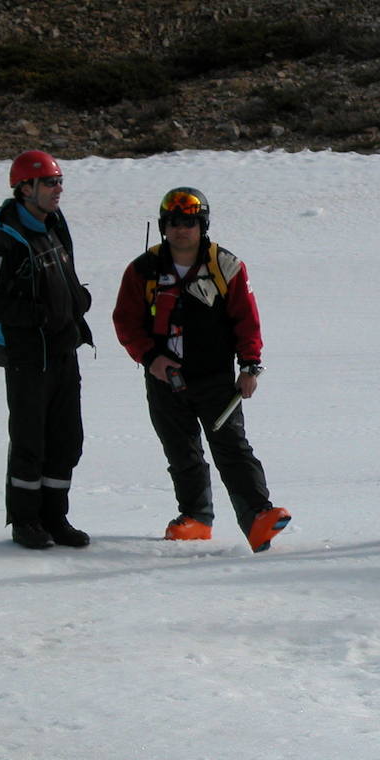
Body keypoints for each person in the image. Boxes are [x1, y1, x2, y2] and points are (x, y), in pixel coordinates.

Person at [112, 187, 291, 552]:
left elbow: (247, 321)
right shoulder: (142, 270)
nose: (182, 230)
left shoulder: (226, 266)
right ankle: (195, 518)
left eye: (190, 222)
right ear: (164, 226)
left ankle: (258, 516)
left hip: (216, 380)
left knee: (232, 448)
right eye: (175, 222)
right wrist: (151, 359)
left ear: (202, 225)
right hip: (164, 380)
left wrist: (250, 365)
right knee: (181, 450)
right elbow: (126, 323)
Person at [0, 150, 94, 549]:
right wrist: (39, 314)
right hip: (29, 358)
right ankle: (25, 520)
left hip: (63, 352)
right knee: (30, 441)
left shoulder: (55, 224)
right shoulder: (3, 239)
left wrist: (76, 302)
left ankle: (54, 517)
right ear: (25, 189)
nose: (58, 190)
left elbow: (65, 276)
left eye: (60, 182)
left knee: (66, 439)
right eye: (49, 183)